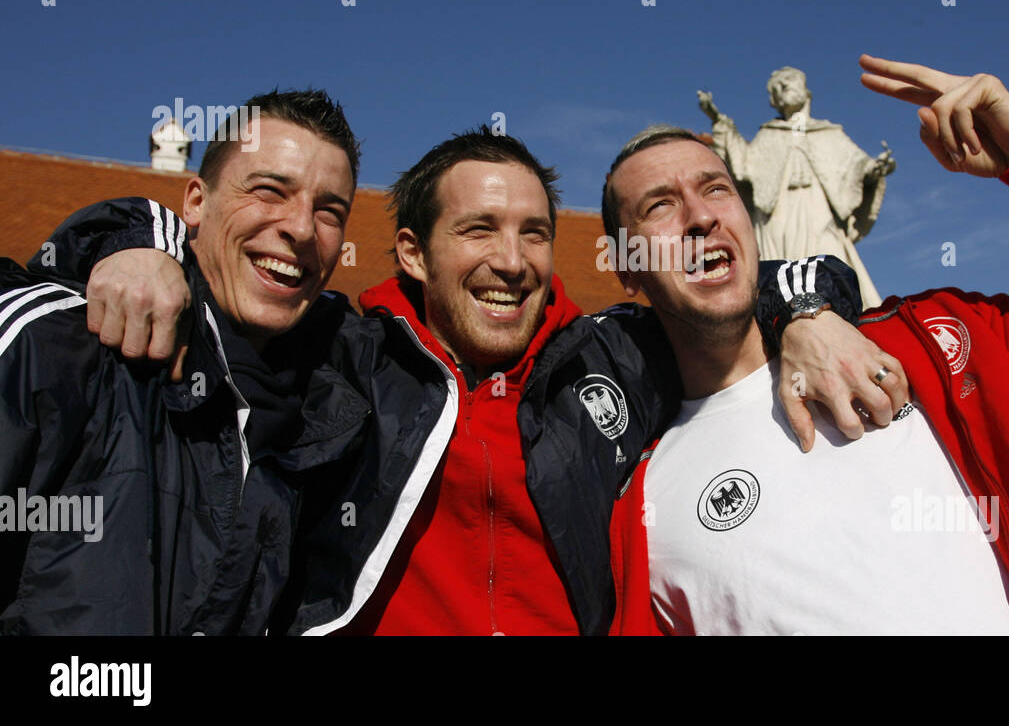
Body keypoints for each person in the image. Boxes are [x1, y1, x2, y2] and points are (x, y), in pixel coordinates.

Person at [48, 127, 904, 634]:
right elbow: (227, 270)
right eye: (480, 230)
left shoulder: (613, 356)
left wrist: (806, 312)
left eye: (534, 233)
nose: (512, 261)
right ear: (416, 253)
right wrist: (136, 237)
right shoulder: (341, 349)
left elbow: (745, 280)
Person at [603, 54, 1009, 635]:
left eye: (718, 188)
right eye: (659, 205)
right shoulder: (641, 503)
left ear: (748, 221)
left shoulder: (947, 343)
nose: (701, 215)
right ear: (628, 265)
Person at [0, 89, 371, 633]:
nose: (300, 229)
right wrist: (131, 233)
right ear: (195, 202)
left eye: (329, 211)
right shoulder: (66, 344)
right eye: (269, 190)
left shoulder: (327, 413)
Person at [700, 66, 896, 307]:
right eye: (777, 87)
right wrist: (719, 122)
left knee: (830, 263)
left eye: (789, 81)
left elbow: (856, 165)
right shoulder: (769, 134)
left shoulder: (829, 132)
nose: (783, 87)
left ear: (806, 91)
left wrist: (874, 169)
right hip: (776, 217)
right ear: (773, 100)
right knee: (782, 271)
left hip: (818, 210)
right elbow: (741, 165)